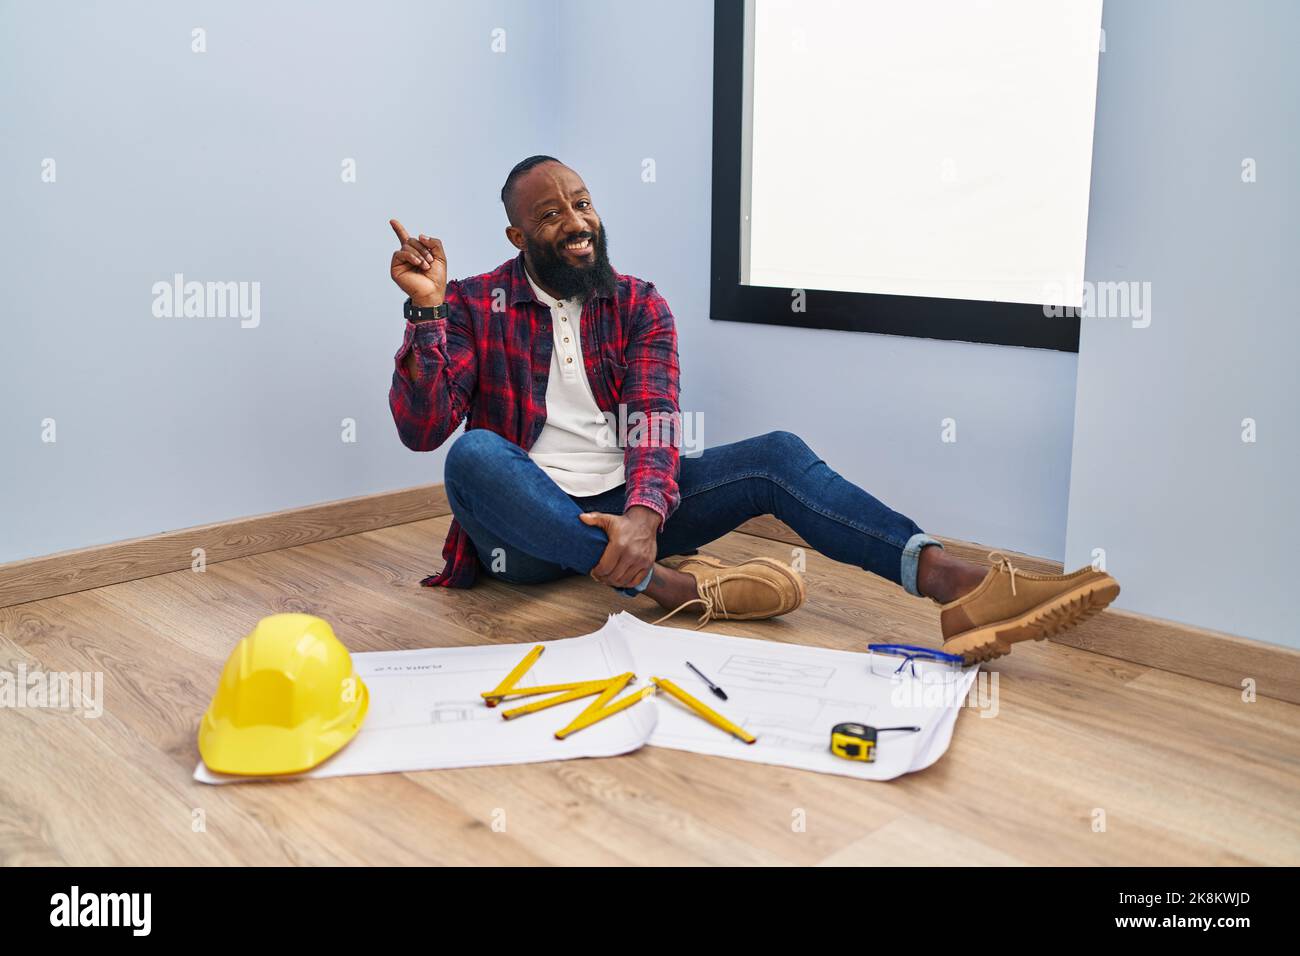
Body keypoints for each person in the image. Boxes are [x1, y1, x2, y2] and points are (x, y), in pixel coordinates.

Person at [386, 155, 1119, 662]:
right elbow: (422, 430)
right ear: (518, 237)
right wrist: (426, 310)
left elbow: (655, 419)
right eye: (549, 214)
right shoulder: (474, 302)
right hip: (530, 537)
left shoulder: (638, 303)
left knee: (775, 454)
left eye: (582, 203)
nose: (575, 220)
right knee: (473, 457)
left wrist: (643, 519)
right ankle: (667, 590)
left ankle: (956, 586)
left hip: (624, 509)